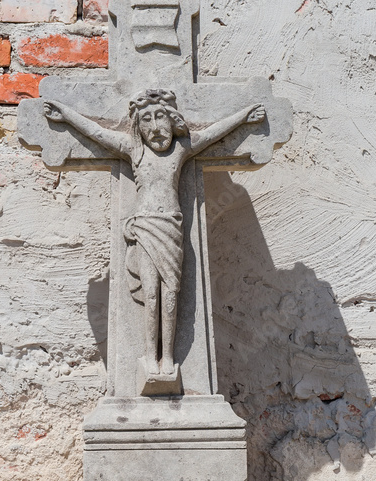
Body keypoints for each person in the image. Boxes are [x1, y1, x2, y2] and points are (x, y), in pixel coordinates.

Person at [44, 90, 266, 378]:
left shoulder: (181, 149)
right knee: (151, 293)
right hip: (145, 227)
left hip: (171, 227)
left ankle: (168, 357)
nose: (154, 126)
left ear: (172, 121)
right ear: (138, 126)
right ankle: (151, 356)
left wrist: (244, 118)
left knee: (171, 291)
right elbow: (97, 133)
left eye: (160, 116)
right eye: (146, 119)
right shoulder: (134, 151)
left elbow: (213, 133)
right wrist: (66, 115)